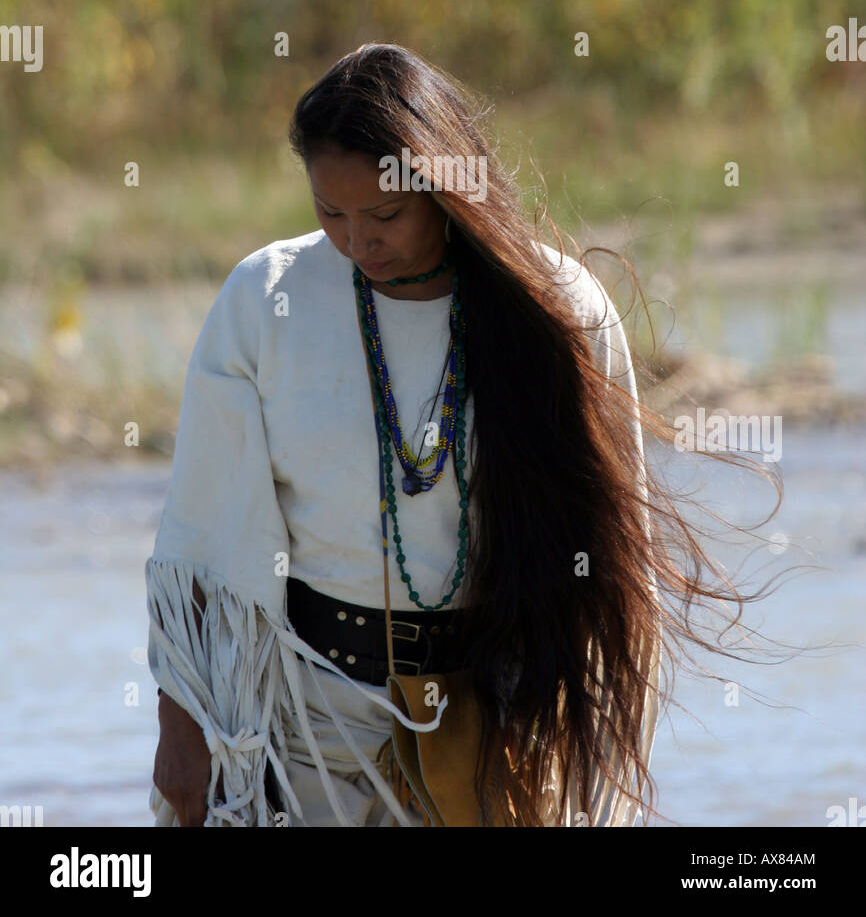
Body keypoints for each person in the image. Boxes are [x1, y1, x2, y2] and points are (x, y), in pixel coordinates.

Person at [146, 44, 673, 826]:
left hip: (501, 722)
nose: (357, 242)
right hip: (312, 725)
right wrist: (182, 732)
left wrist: (576, 728)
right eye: (331, 213)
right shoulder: (267, 300)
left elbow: (612, 551)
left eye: (385, 215)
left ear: (447, 187)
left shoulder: (559, 307)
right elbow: (204, 537)